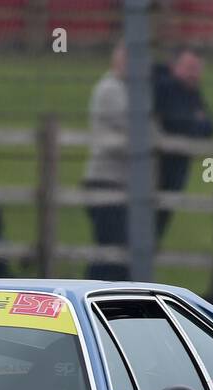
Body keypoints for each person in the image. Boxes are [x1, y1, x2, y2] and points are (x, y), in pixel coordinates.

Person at [152, 46, 213, 240]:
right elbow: (175, 122)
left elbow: (210, 128)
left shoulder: (192, 93)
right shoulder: (165, 86)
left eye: (197, 69)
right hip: (156, 170)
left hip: (176, 170)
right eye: (190, 68)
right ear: (175, 66)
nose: (194, 74)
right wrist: (194, 122)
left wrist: (192, 123)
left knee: (157, 230)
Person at [82, 39, 130, 281]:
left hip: (118, 182)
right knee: (112, 250)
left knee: (114, 249)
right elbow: (135, 129)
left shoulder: (126, 89)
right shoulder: (111, 89)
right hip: (106, 180)